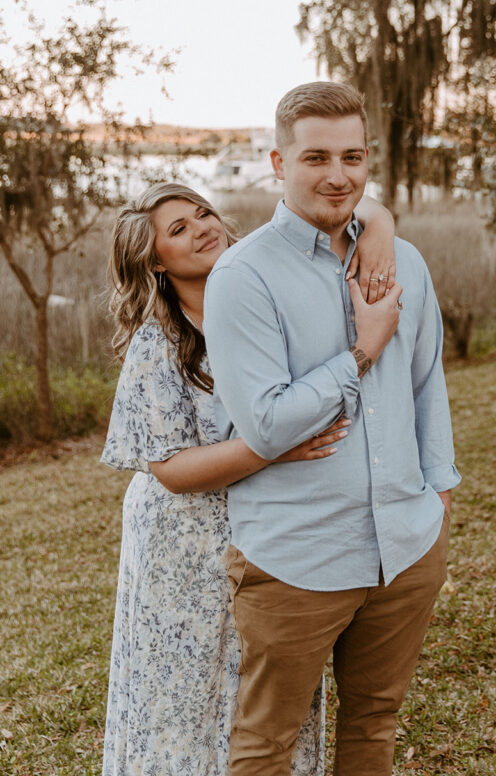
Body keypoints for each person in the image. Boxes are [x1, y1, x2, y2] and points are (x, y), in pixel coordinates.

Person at [203, 82, 461, 776]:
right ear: (278, 163)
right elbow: (264, 422)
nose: (338, 175)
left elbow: (426, 382)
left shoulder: (402, 262)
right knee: (265, 743)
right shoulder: (243, 277)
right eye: (315, 156)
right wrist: (359, 351)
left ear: (369, 158)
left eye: (352, 156)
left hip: (404, 548)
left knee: (373, 726)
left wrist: (436, 497)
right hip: (296, 554)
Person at [100, 181, 396, 776]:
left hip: (271, 526)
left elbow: (344, 202)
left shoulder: (266, 294)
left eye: (203, 212)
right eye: (178, 229)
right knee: (183, 694)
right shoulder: (159, 343)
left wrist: (382, 228)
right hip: (181, 546)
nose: (202, 227)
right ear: (155, 261)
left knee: (262, 684)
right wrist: (271, 448)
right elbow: (171, 469)